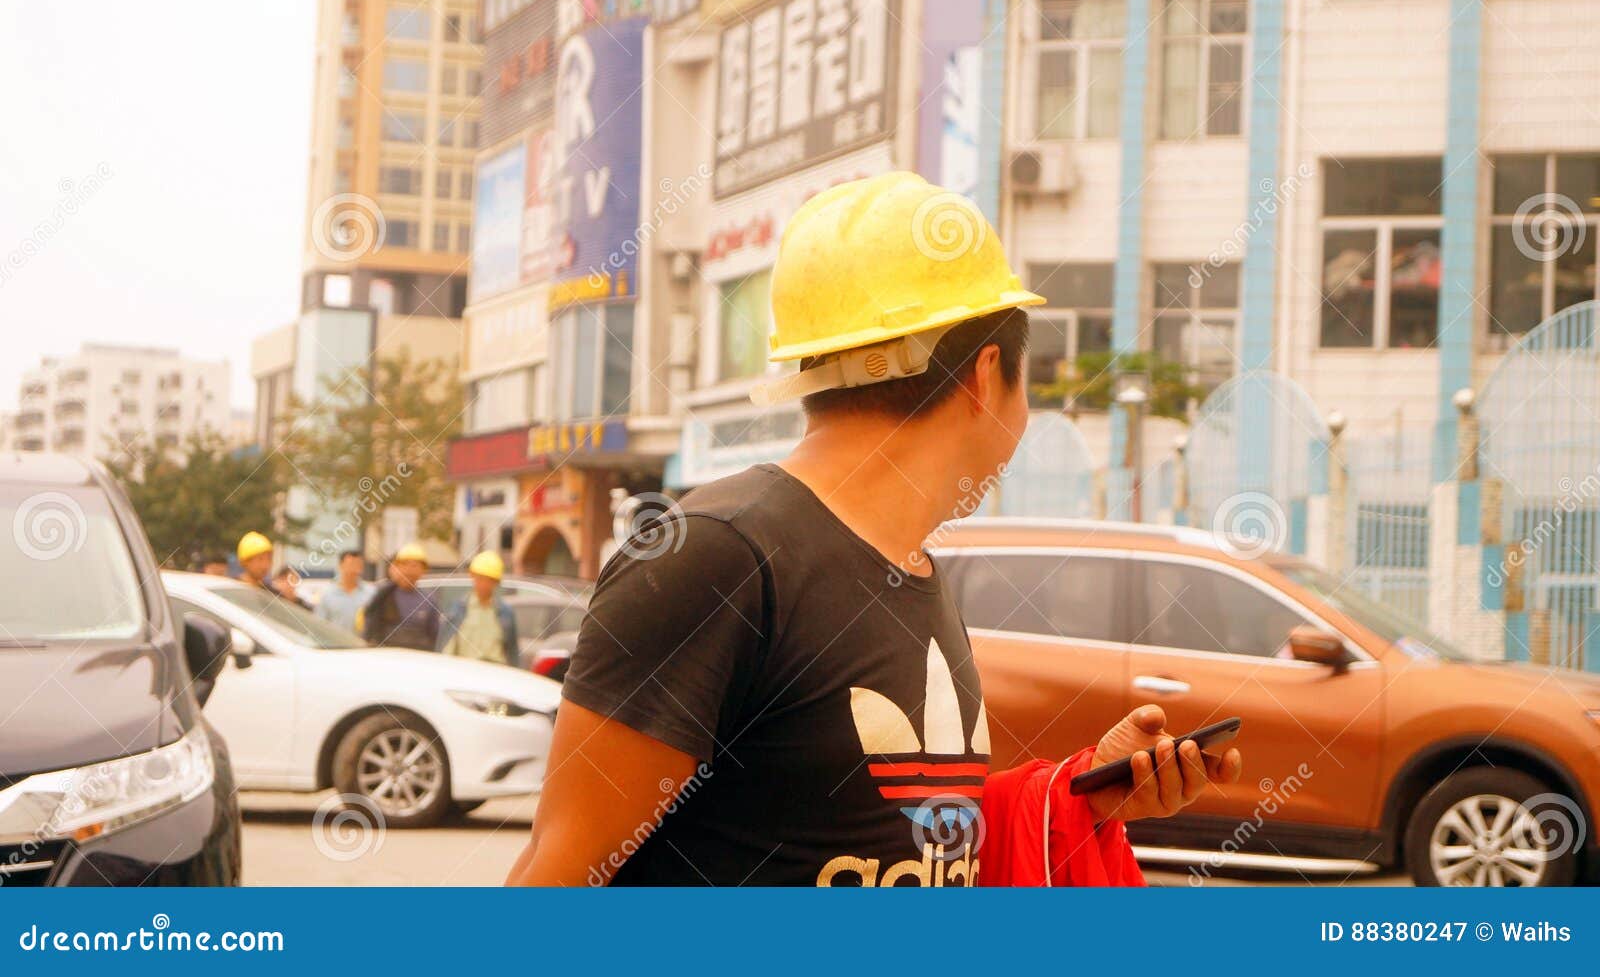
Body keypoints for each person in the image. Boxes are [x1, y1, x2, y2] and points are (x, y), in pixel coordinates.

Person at [507, 172, 1242, 887]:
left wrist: (1083, 795)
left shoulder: (915, 570)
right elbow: (557, 876)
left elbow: (899, 841)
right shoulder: (718, 556)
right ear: (987, 374)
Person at [438, 551, 518, 666]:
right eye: (480, 578)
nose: (484, 584)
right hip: (465, 670)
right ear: (472, 576)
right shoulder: (457, 609)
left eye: (489, 580)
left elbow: (513, 652)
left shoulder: (506, 613)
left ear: (496, 582)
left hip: (495, 672)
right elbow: (446, 646)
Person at [358, 543, 440, 651]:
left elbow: (435, 635)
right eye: (405, 565)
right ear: (396, 567)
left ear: (423, 570)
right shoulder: (383, 594)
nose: (409, 570)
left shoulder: (429, 600)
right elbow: (367, 625)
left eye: (415, 566)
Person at [316, 549, 374, 633]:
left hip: (363, 645)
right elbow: (319, 625)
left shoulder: (371, 593)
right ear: (340, 566)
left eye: (358, 565)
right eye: (351, 565)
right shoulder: (327, 595)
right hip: (336, 644)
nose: (354, 569)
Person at [235, 532, 282, 597]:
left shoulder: (273, 595)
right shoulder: (231, 588)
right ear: (245, 561)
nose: (265, 565)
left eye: (269, 559)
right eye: (260, 559)